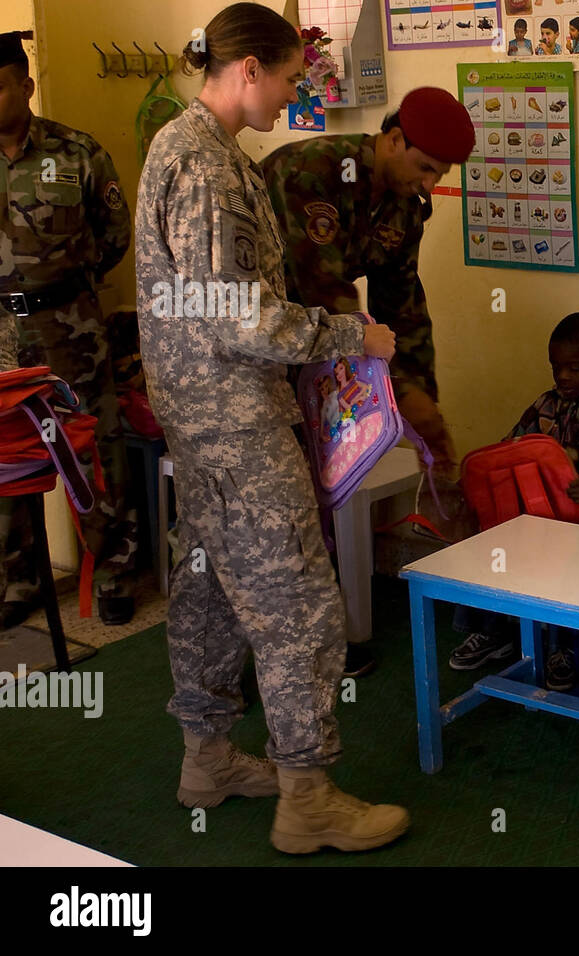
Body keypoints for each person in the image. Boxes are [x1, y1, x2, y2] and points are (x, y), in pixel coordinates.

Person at [135, 2, 408, 854]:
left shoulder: (184, 147)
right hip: (238, 421)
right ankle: (307, 795)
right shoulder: (210, 171)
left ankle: (208, 759)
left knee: (211, 592)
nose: (297, 94)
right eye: (292, 76)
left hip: (199, 418)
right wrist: (346, 337)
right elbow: (239, 319)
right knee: (298, 606)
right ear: (248, 68)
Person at [262, 86, 472, 676]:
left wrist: (422, 397)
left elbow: (402, 304)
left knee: (323, 491)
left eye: (442, 173)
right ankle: (285, 651)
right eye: (426, 167)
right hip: (256, 347)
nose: (431, 183)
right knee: (280, 503)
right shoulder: (315, 173)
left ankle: (321, 638)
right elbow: (327, 294)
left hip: (317, 349)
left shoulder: (405, 206)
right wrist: (394, 392)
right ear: (394, 139)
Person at [0, 29, 139, 626]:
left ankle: (112, 570)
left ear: (25, 86)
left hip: (69, 326)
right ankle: (19, 580)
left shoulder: (76, 151)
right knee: (6, 454)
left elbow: (114, 237)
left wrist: (59, 290)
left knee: (91, 448)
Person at [449, 312, 579, 689]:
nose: (564, 377)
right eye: (557, 368)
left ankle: (565, 647)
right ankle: (496, 634)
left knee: (573, 579)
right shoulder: (545, 404)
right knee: (493, 551)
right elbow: (511, 447)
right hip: (533, 514)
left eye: (575, 367)